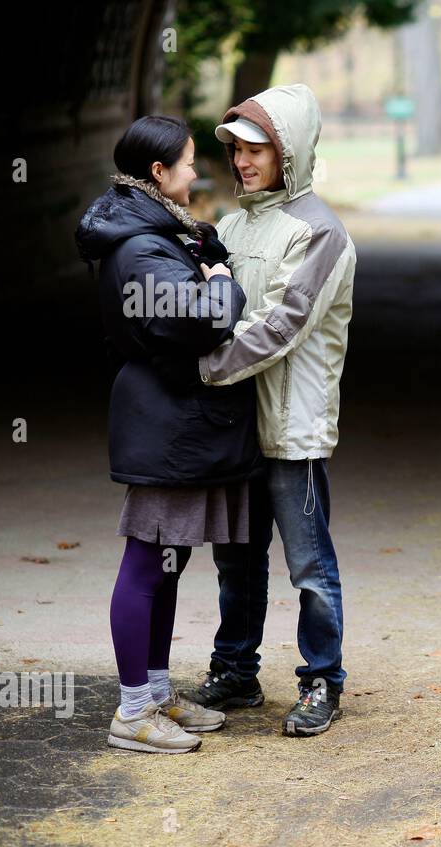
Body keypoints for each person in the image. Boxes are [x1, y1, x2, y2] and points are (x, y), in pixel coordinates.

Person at [75, 115, 260, 753]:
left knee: (167, 562)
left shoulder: (156, 231)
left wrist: (209, 269)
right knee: (147, 565)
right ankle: (132, 711)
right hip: (165, 426)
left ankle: (155, 694)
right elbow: (206, 320)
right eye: (187, 162)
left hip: (177, 421)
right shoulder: (141, 248)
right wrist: (222, 283)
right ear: (157, 172)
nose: (196, 172)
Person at [177, 84, 357, 737]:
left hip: (292, 428)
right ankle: (236, 673)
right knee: (237, 558)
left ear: (289, 151)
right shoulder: (230, 223)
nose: (244, 161)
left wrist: (199, 367)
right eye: (236, 150)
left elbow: (281, 326)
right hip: (236, 426)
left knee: (308, 563)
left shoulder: (322, 233)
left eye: (258, 149)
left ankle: (321, 682)